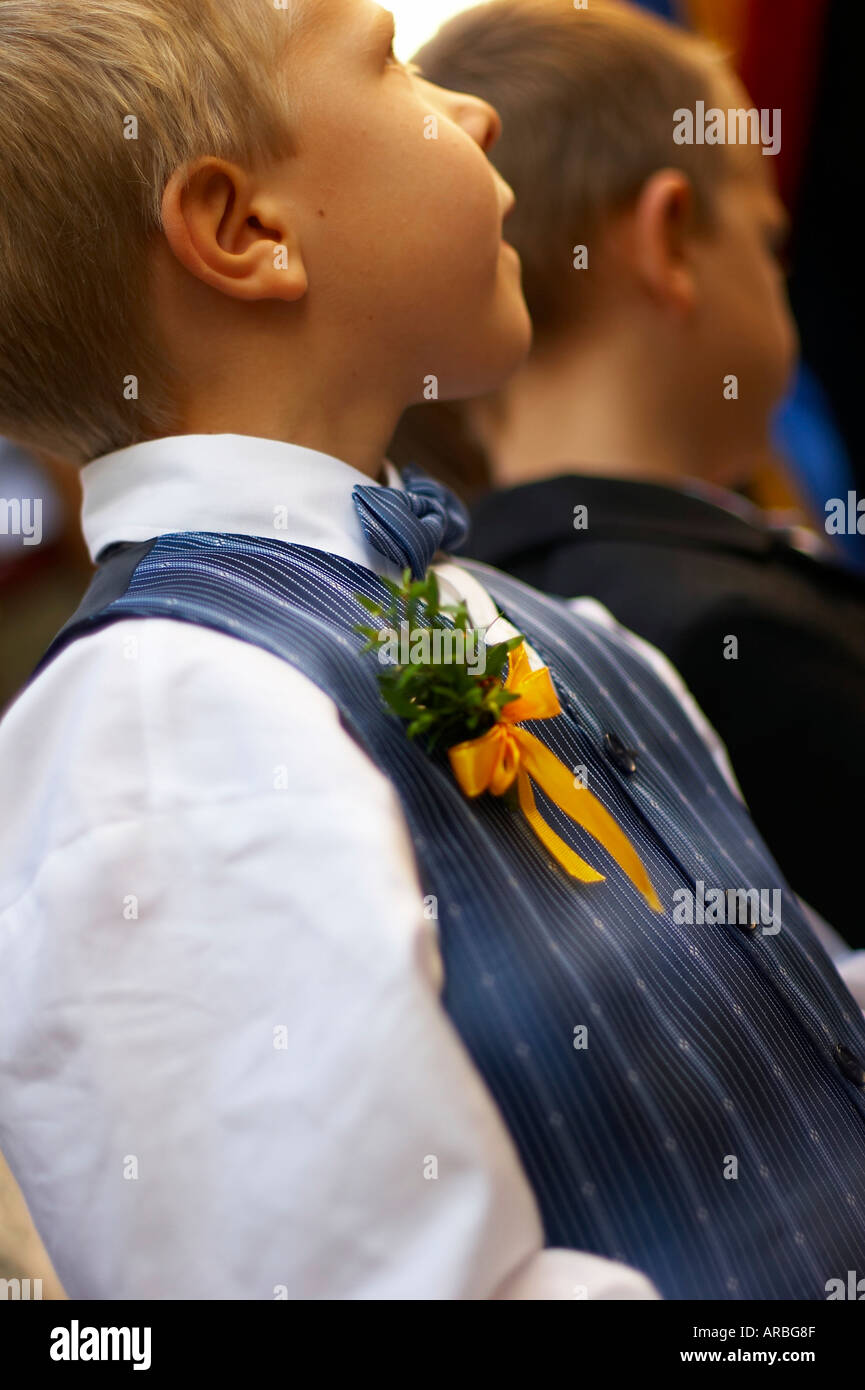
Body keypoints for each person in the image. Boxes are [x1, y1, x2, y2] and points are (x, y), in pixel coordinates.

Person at [1, 0, 865, 1302]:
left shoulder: (548, 622)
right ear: (248, 234)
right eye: (394, 68)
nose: (476, 109)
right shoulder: (163, 727)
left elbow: (792, 1015)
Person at [393, 0, 865, 945]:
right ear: (670, 237)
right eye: (767, 242)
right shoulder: (749, 635)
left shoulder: (448, 636)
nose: (778, 274)